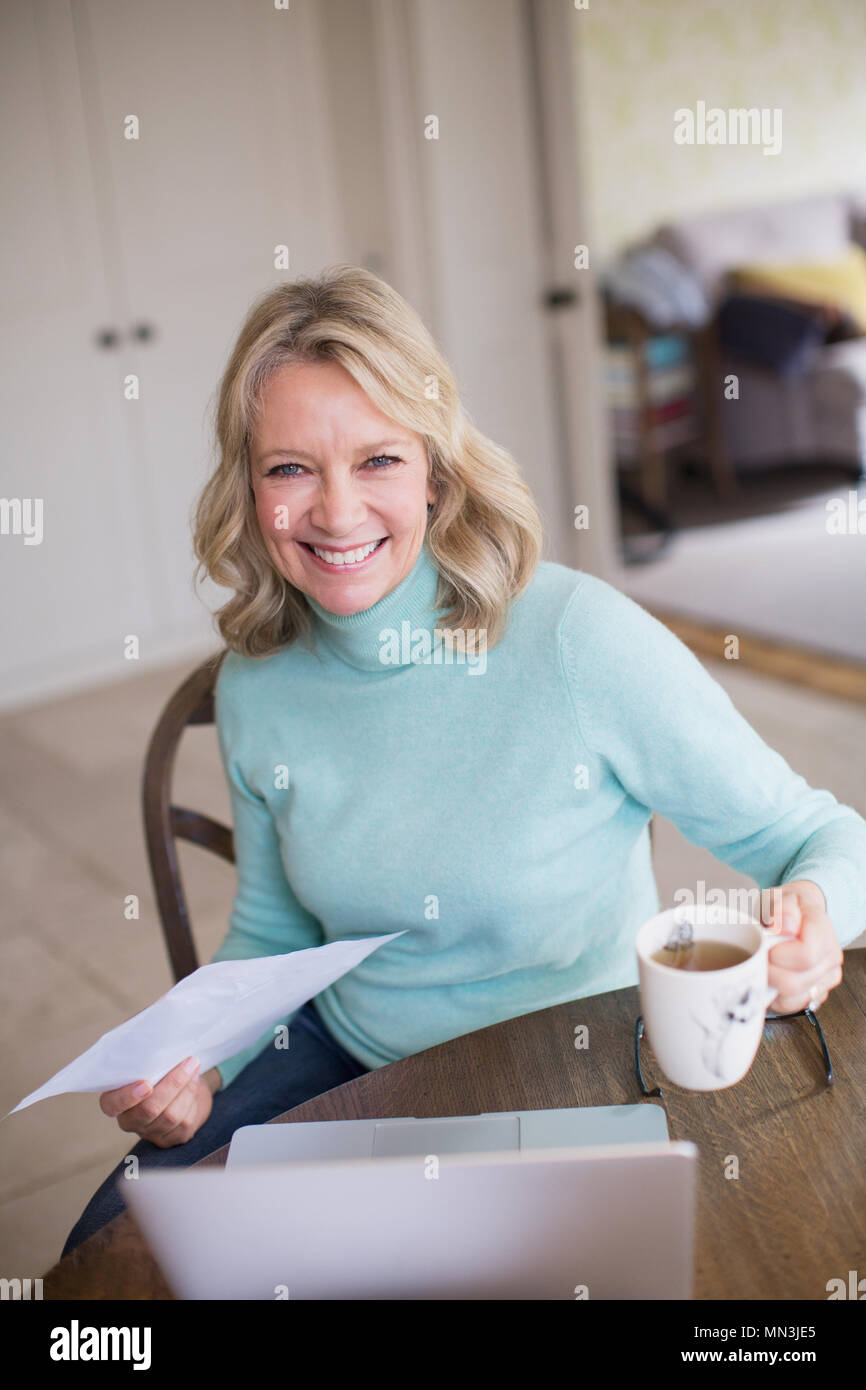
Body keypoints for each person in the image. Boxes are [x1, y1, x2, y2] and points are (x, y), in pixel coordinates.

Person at [61, 264, 865, 1256]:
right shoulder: (257, 684)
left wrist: (814, 917)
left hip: (568, 1065)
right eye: (289, 468)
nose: (337, 512)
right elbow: (270, 934)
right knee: (111, 1247)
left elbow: (818, 836)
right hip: (341, 1057)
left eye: (378, 460)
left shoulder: (575, 640)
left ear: (435, 471)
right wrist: (196, 1064)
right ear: (248, 484)